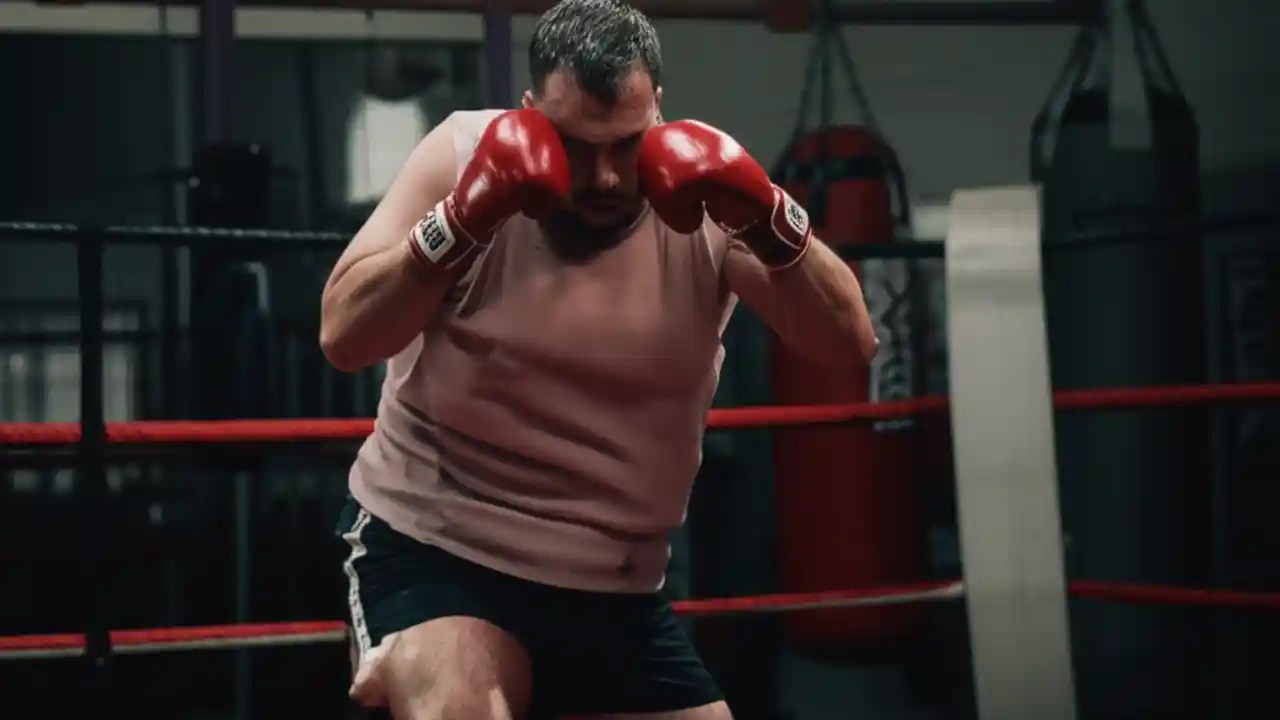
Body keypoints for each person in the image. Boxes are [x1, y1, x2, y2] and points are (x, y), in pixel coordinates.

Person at [319, 1, 878, 717]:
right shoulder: (462, 154)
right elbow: (344, 334)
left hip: (616, 591)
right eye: (577, 147)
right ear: (528, 112)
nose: (607, 178)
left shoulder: (707, 197)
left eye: (626, 145)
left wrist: (769, 214)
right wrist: (459, 223)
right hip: (436, 552)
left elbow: (847, 342)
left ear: (659, 115)